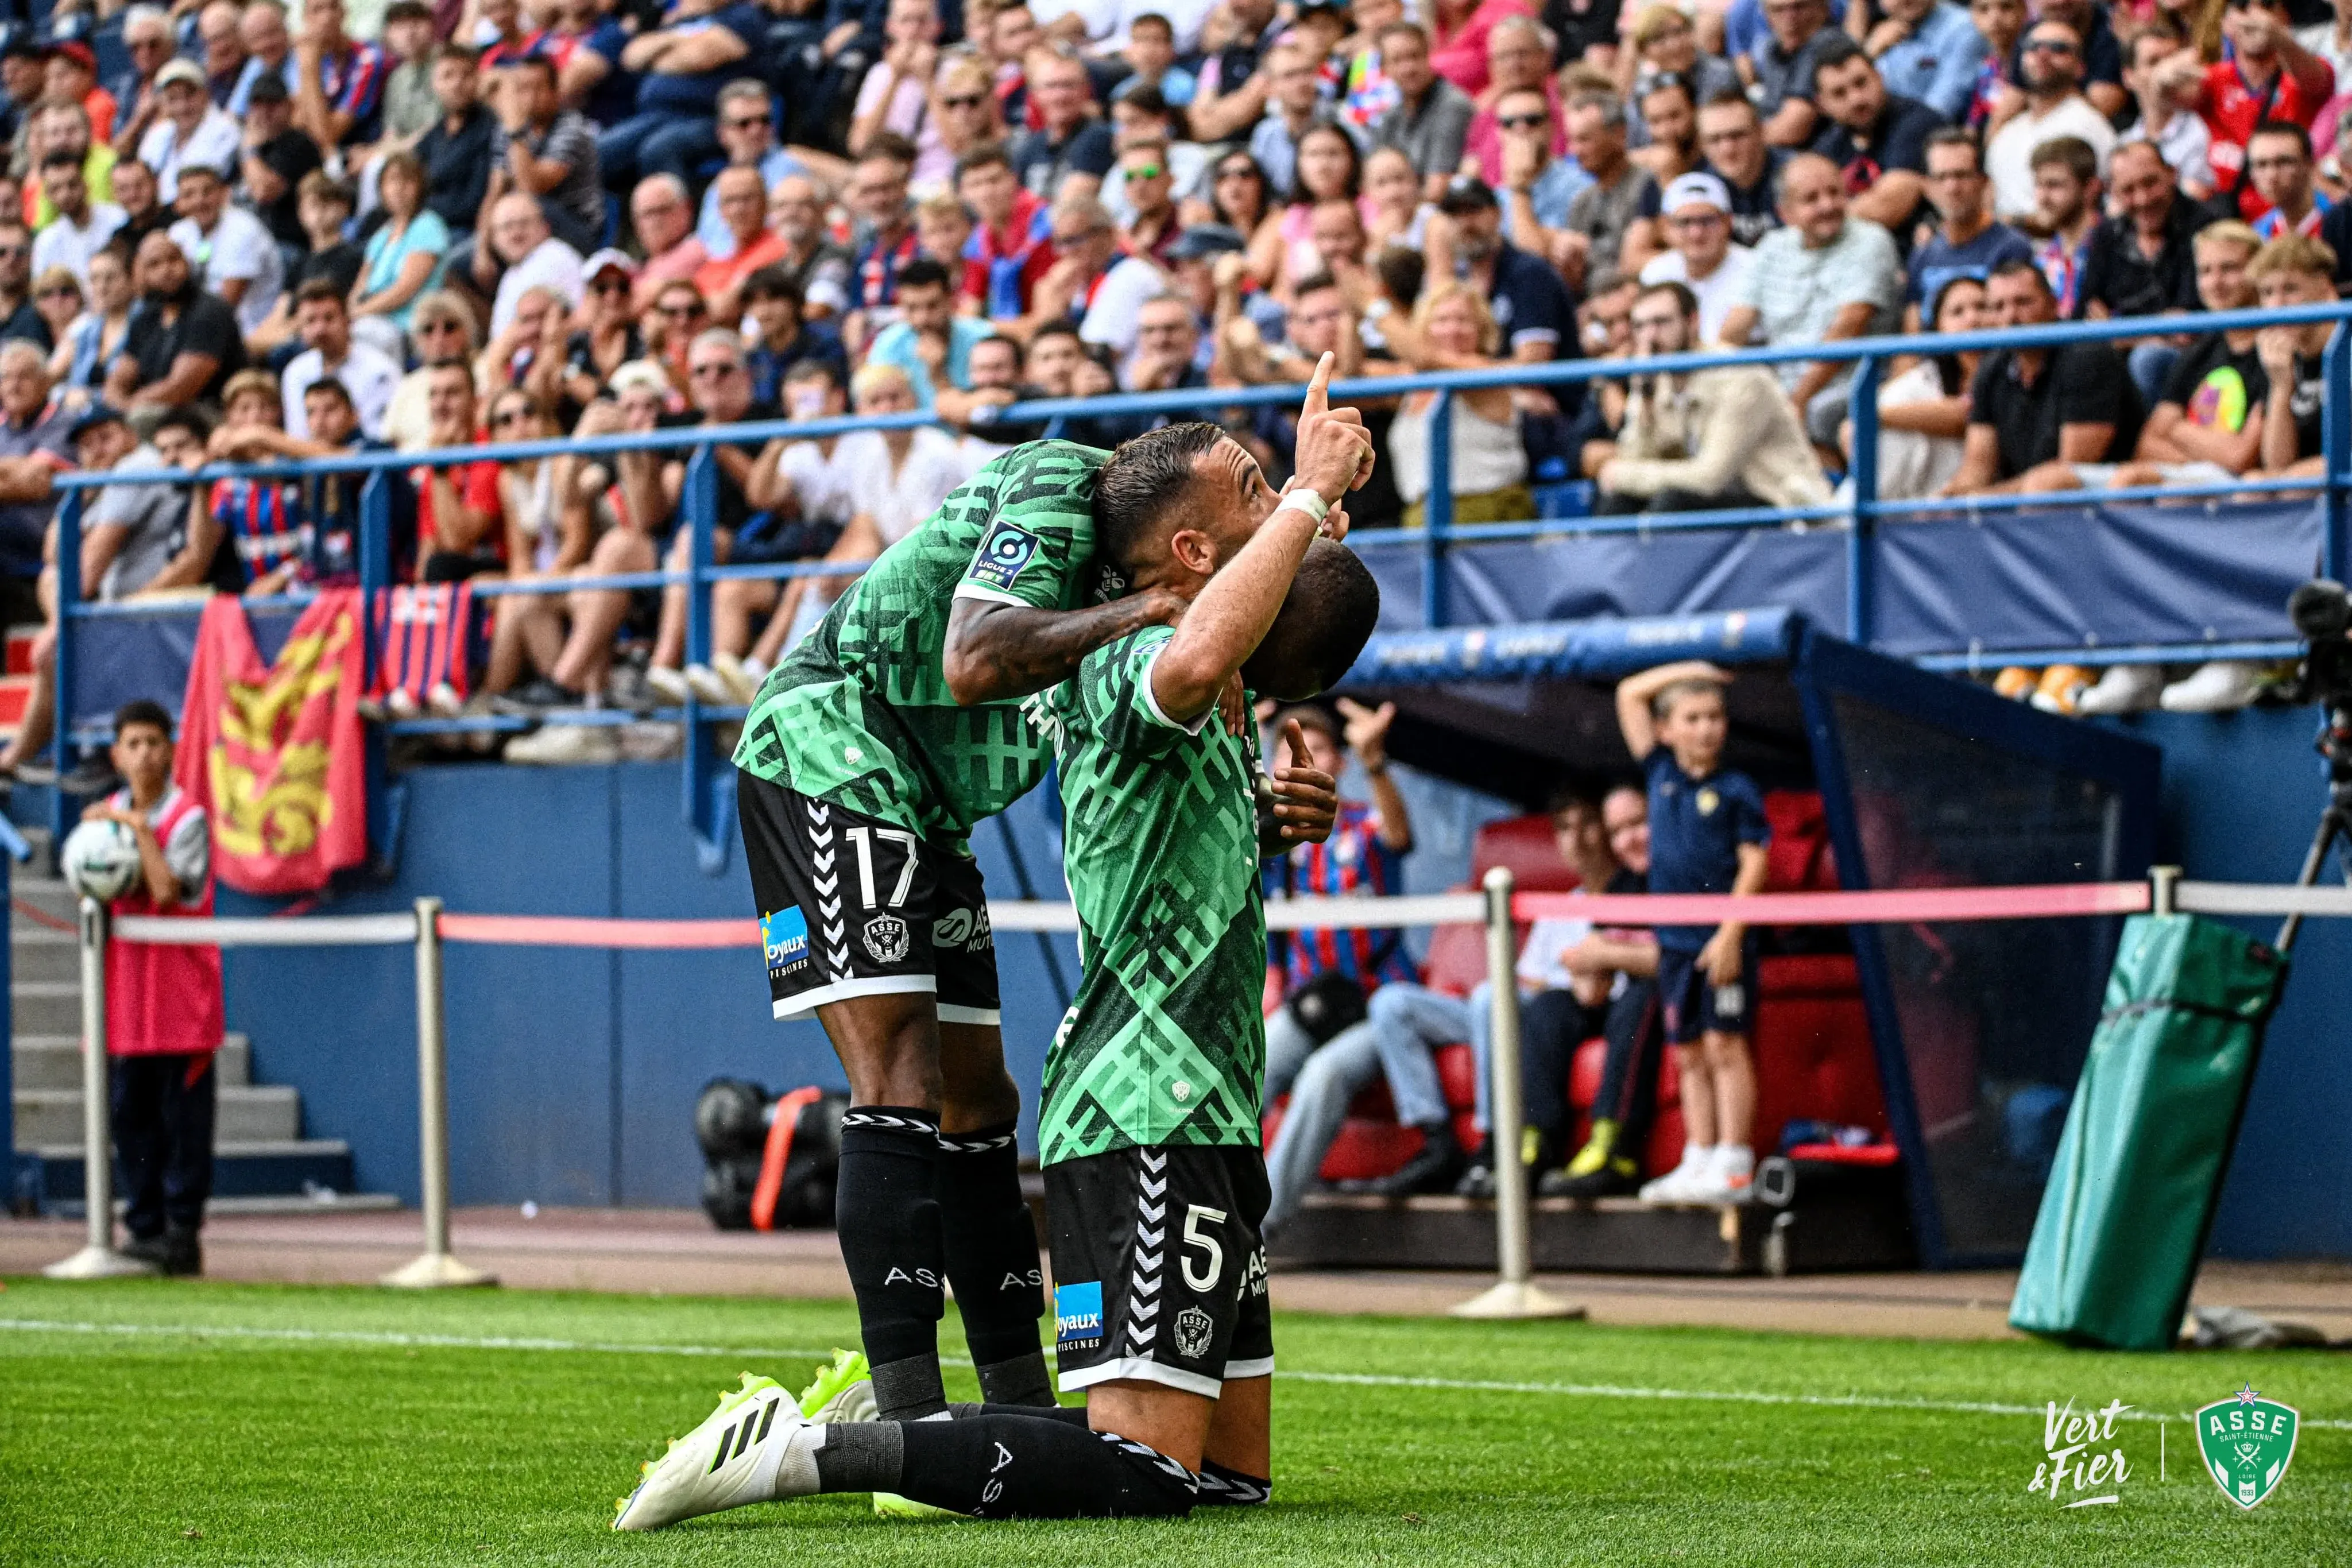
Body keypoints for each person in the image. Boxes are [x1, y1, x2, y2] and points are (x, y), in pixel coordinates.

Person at [613, 427, 1374, 1532]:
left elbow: (1159, 797)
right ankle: (869, 1434)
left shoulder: (1179, 660)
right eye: (1251, 490)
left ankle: (987, 1423)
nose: (1277, 506)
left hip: (959, 830)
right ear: (1194, 548)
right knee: (902, 1080)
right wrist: (1295, 505)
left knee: (983, 1108)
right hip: (834, 747)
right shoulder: (1096, 569)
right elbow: (980, 658)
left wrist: (1260, 810)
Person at [1615, 660, 1769, 1205]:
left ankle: (1734, 1161)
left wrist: (1731, 932)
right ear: (1666, 730)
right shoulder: (1660, 773)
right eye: (1693, 717)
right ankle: (1699, 1155)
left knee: (1726, 1043)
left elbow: (1755, 865)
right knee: (1687, 1051)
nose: (1706, 728)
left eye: (1715, 717)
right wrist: (1696, 667)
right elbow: (1631, 690)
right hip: (1674, 942)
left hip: (1722, 941)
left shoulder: (1737, 789)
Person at [90, 699, 224, 1278]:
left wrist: (140, 830)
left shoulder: (187, 819)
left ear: (170, 749)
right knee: (130, 1116)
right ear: (117, 754)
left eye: (154, 742)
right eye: (133, 743)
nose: (144, 754)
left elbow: (168, 890)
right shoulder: (103, 818)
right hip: (126, 1001)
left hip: (181, 1001)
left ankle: (182, 1231)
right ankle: (142, 1226)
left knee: (183, 1122)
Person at [1716, 152, 1903, 450]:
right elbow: (1735, 328)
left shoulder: (1870, 240)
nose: (1827, 205)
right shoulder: (1771, 248)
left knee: (1815, 415)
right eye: (1812, 199)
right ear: (1785, 213)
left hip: (1850, 384)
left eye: (1834, 193)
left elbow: (1847, 329)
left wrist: (1797, 401)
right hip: (1784, 387)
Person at [1599, 280, 1831, 513]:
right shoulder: (1655, 379)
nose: (1650, 337)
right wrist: (1645, 400)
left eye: (1661, 322)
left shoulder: (1741, 377)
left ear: (1693, 321)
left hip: (1779, 502)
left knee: (1672, 504)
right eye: (1640, 327)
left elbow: (1710, 478)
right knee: (1617, 503)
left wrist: (1620, 474)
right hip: (1716, 499)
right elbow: (1633, 458)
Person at [1943, 257, 2142, 495]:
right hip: (2022, 507)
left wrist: (1984, 498)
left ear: (2053, 304)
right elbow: (1977, 469)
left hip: (2102, 504)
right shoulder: (1992, 367)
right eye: (1998, 307)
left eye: (2023, 302)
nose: (2011, 317)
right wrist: (1948, 498)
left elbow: (2068, 474)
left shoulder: (2088, 356)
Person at [1388, 281, 1531, 525]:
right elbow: (1351, 373)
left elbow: (1426, 358)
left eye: (1464, 320)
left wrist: (1374, 307)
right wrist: (1350, 312)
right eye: (1442, 320)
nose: (1453, 330)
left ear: (1482, 329)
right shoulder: (1410, 381)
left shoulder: (1487, 374)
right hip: (1422, 517)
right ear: (1424, 329)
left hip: (1491, 513)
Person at [597, 0, 768, 192]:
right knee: (598, 154)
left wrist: (657, 55)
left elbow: (700, 57)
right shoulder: (683, 19)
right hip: (657, 115)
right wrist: (679, 40)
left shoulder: (742, 16)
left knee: (659, 149)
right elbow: (632, 56)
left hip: (712, 118)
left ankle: (677, 218)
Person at [1805, 36, 1938, 245]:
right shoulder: (1826, 148)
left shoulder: (1917, 122)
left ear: (1880, 77)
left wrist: (1821, 220)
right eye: (1839, 93)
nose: (1856, 99)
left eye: (1861, 83)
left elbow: (1889, 207)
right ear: (1822, 105)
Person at [1984, 17, 2114, 223]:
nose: (2042, 54)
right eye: (2033, 47)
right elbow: (1989, 202)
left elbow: (2088, 211)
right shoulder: (2008, 132)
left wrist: (2015, 225)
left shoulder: (2088, 125)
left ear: (2080, 67)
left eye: (2059, 48)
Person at [1905, 127, 2030, 331]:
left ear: (1984, 182)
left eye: (1961, 175)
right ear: (1928, 187)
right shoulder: (1922, 255)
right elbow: (1912, 336)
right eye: (1941, 177)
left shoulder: (2012, 248)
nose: (1952, 188)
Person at [107, 230, 246, 411]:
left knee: (142, 418)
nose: (167, 270)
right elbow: (117, 381)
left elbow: (181, 388)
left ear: (187, 263)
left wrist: (130, 405)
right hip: (149, 410)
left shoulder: (210, 311)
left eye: (173, 259)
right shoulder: (146, 318)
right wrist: (118, 403)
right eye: (154, 265)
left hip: (208, 411)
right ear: (140, 273)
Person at [488, 53, 602, 255]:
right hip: (523, 226)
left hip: (576, 227)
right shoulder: (508, 129)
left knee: (528, 204)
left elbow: (532, 187)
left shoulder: (573, 128)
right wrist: (482, 247)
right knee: (458, 263)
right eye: (523, 89)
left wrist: (515, 131)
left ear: (555, 92)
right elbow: (495, 192)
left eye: (538, 88)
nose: (530, 97)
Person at [166, 162, 281, 337]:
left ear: (223, 194)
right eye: (189, 195)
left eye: (207, 192)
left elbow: (225, 305)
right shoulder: (179, 232)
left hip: (247, 331)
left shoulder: (243, 230)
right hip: (198, 327)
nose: (199, 201)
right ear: (178, 203)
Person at [351, 150, 447, 356]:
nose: (398, 188)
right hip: (370, 319)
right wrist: (348, 313)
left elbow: (404, 290)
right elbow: (360, 286)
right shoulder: (380, 236)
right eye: (391, 181)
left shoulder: (428, 226)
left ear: (420, 186)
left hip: (406, 326)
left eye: (407, 181)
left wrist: (359, 313)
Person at [282, 281, 400, 440]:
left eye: (329, 318)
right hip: (309, 461)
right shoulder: (295, 372)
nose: (320, 329)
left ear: (347, 320)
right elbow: (297, 436)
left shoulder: (381, 370)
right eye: (311, 321)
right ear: (301, 327)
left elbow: (378, 438)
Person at [1372, 21, 1475, 198]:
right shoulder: (1391, 116)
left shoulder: (1452, 106)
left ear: (1429, 55)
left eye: (1415, 56)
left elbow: (1438, 190)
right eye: (1397, 60)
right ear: (1384, 69)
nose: (1408, 68)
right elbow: (1375, 180)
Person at [416, 42, 496, 238]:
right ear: (435, 83)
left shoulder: (490, 129)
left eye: (466, 75)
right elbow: (413, 183)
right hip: (425, 224)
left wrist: (420, 210)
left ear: (478, 80)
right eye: (448, 75)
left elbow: (472, 203)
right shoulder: (433, 135)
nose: (457, 83)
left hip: (464, 230)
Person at [136, 57, 238, 203]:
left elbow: (201, 186)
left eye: (189, 95)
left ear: (205, 94)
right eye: (173, 98)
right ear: (162, 103)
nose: (182, 107)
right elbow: (141, 179)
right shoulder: (160, 132)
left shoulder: (225, 130)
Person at [1693, 91, 1787, 248]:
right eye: (1714, 140)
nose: (1727, 149)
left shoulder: (1795, 175)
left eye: (1737, 135)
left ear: (1761, 132)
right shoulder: (1702, 188)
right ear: (1702, 145)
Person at [1867, 0, 1986, 122]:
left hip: (1939, 134)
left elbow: (1938, 112)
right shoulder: (1882, 37)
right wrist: (1870, 55)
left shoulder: (1964, 29)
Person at [1749, 0, 1840, 148]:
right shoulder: (1772, 48)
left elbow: (1792, 128)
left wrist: (1743, 137)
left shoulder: (1828, 45)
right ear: (1767, 16)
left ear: (1823, 8)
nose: (1790, 17)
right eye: (1778, 10)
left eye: (1799, 7)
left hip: (1812, 153)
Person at [31, 145, 125, 289]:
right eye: (56, 188)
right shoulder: (46, 242)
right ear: (47, 195)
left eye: (72, 185)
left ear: (86, 184)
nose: (65, 195)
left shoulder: (118, 219)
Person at [2250, 121, 2330, 240]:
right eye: (2261, 165)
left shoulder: (2342, 224)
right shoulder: (2258, 236)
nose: (2272, 176)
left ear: (2309, 164)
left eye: (2284, 162)